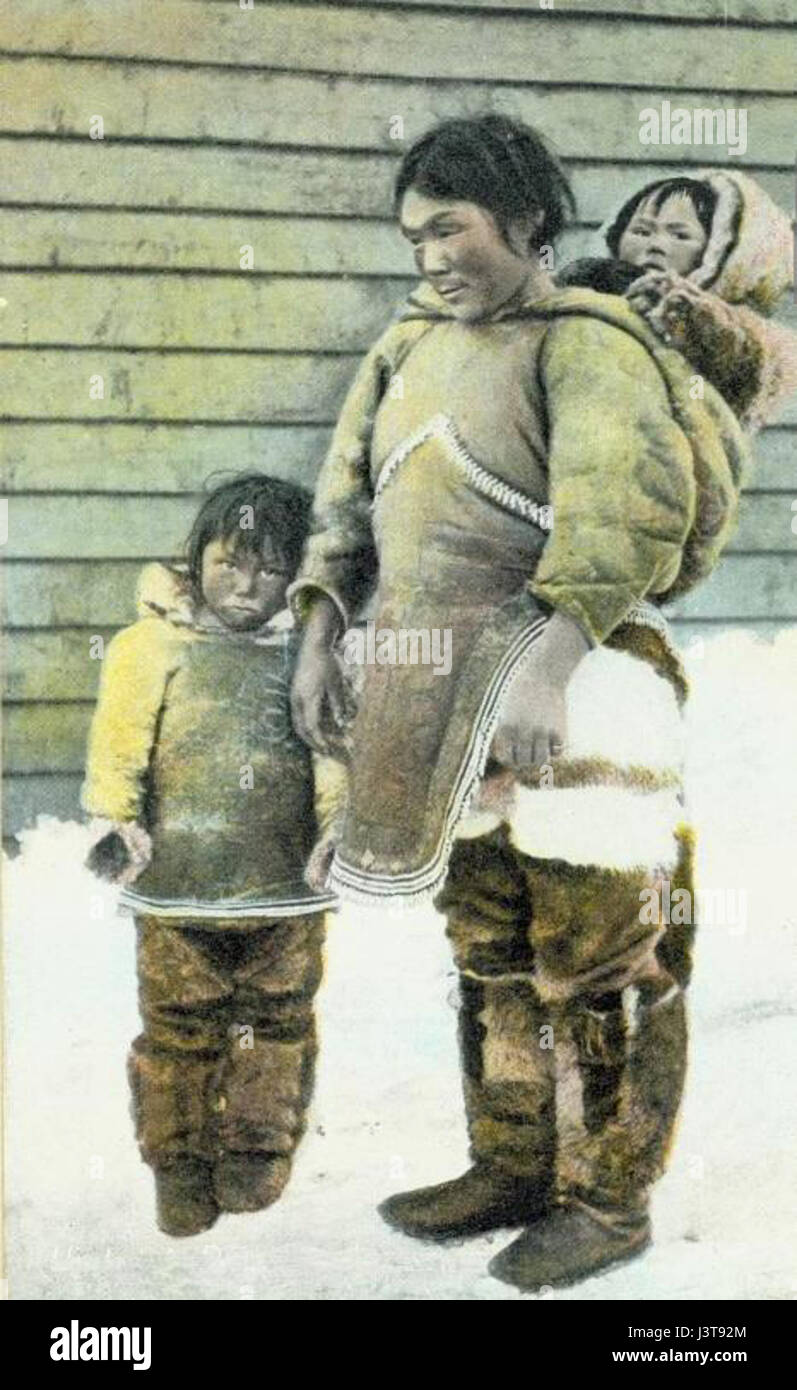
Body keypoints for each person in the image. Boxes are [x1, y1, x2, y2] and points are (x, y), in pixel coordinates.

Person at [289, 114, 753, 1290]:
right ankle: (510, 1162)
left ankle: (606, 1200)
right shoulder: (405, 346)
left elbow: (623, 509)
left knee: (601, 952)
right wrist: (317, 628)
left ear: (526, 222)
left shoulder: (586, 341)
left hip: (583, 687)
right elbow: (346, 499)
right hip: (439, 691)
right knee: (488, 939)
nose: (430, 258)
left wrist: (549, 662)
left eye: (448, 228)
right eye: (413, 238)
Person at [82, 473, 345, 1237]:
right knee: (178, 1029)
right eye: (228, 564)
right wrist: (115, 822)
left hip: (283, 891)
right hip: (177, 891)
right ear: (196, 558)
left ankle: (256, 1149)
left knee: (276, 1024)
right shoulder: (149, 648)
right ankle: (178, 1160)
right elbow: (119, 746)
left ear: (295, 574)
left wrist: (336, 831)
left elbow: (332, 754)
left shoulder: (309, 653)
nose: (245, 585)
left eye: (269, 570)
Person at [557, 169, 797, 433]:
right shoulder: (575, 298)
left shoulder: (744, 336)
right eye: (641, 231)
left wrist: (692, 318)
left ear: (716, 251)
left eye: (680, 235)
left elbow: (745, 363)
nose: (656, 245)